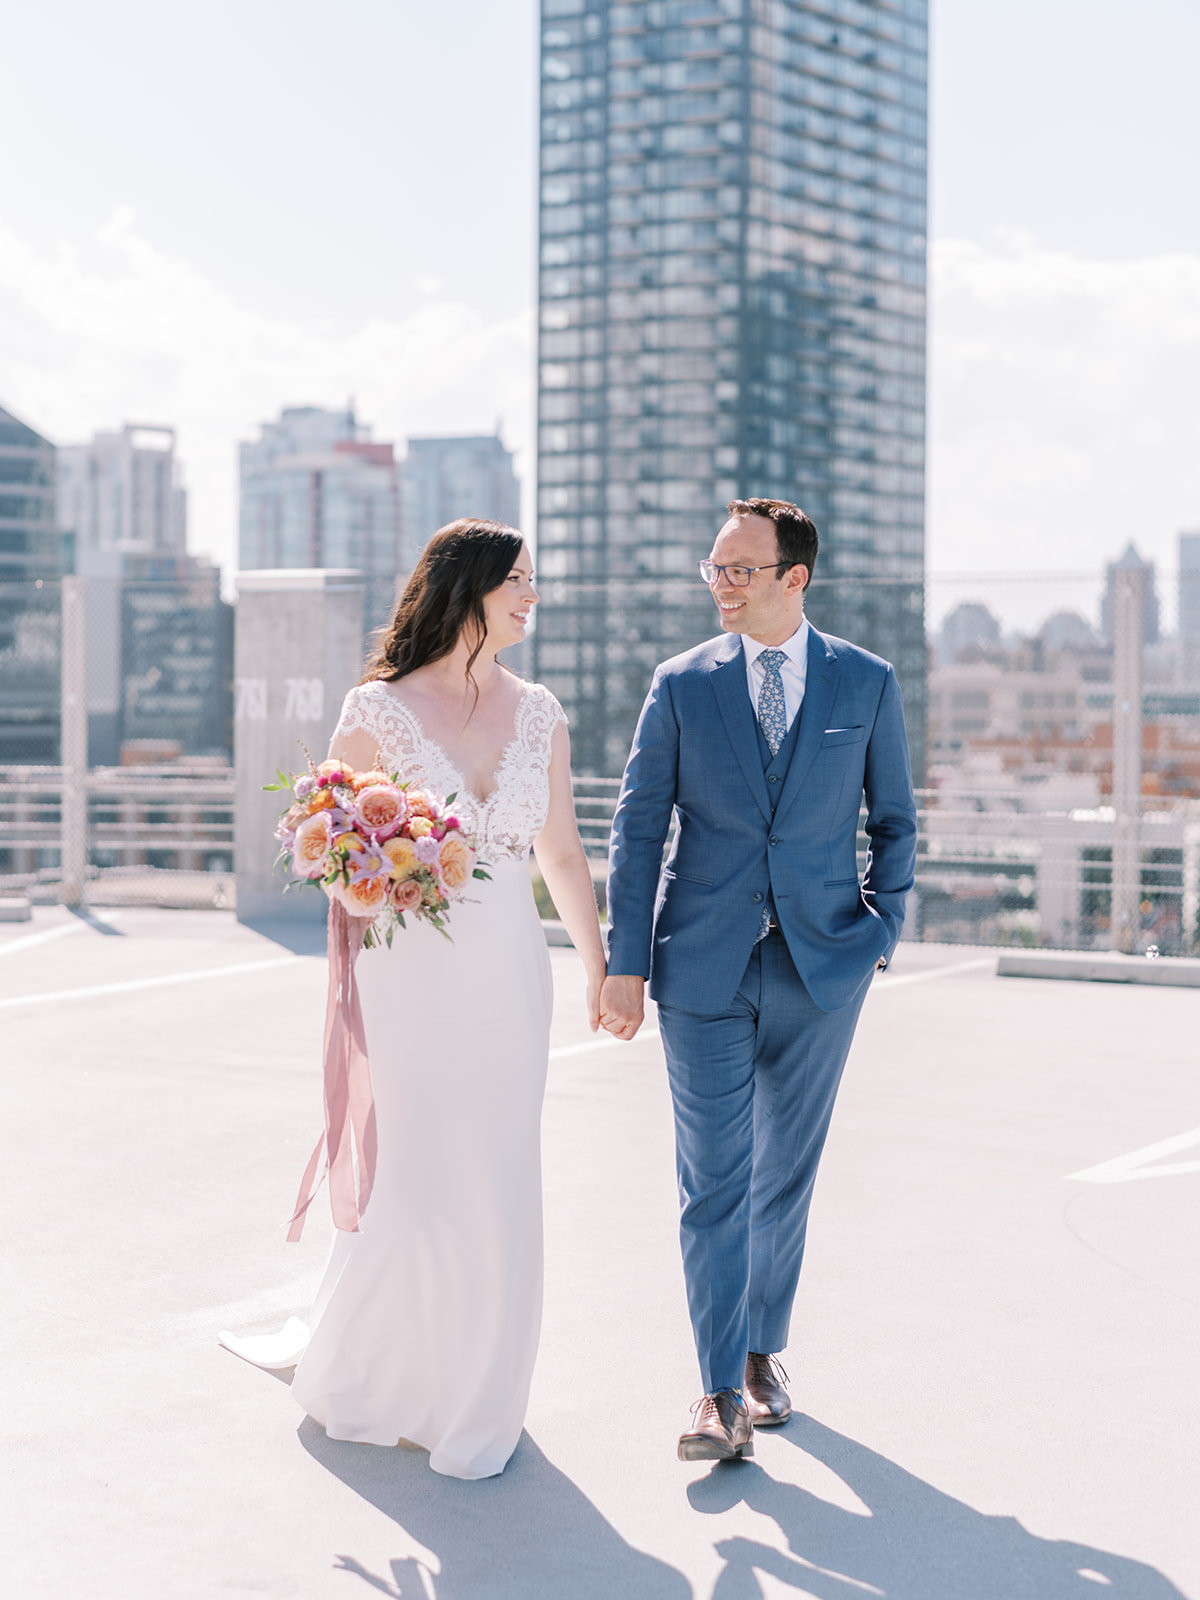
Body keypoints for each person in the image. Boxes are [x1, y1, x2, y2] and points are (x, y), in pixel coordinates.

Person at [222, 519, 606, 1480]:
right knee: (425, 1168)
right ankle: (387, 1371)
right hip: (411, 972)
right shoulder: (377, 709)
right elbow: (334, 853)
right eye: (517, 582)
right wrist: (381, 879)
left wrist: (603, 970)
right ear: (466, 588)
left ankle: (484, 1398)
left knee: (503, 1169)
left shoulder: (541, 711)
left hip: (511, 970)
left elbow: (559, 852)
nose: (531, 598)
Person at [599, 498, 917, 1463]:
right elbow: (638, 826)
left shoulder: (865, 682)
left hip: (823, 965)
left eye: (741, 569)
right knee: (712, 1181)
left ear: (795, 578)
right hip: (701, 967)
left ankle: (759, 1352)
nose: (722, 584)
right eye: (715, 568)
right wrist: (625, 961)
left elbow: (895, 822)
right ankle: (713, 1394)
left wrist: (880, 932)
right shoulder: (682, 684)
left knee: (786, 1174)